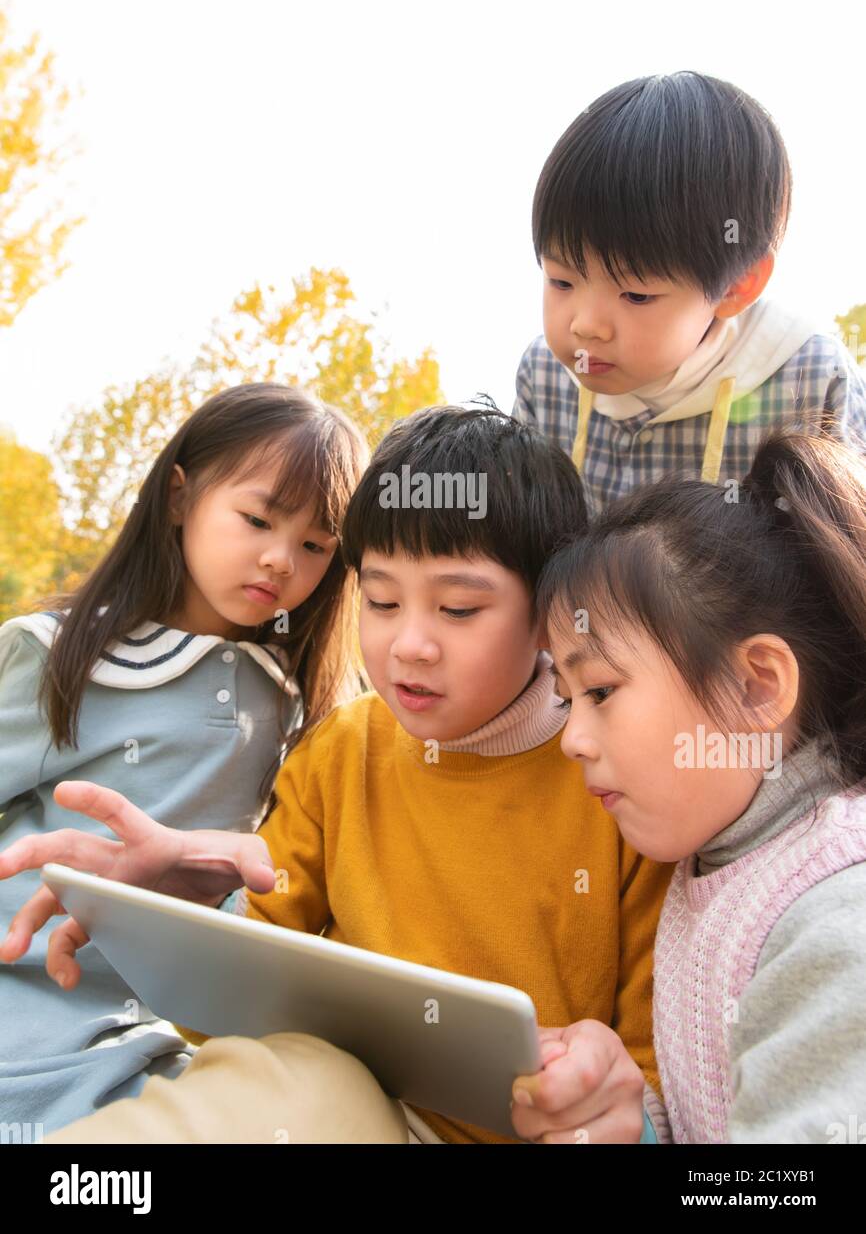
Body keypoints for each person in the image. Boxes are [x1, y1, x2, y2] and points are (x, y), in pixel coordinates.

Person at [3, 403, 675, 1144]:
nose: (409, 645)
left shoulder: (619, 782)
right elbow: (228, 1007)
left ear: (551, 610)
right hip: (334, 1116)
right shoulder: (339, 753)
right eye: (380, 601)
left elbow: (655, 1076)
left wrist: (624, 1117)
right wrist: (166, 916)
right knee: (305, 1080)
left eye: (457, 608)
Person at [0, 382, 367, 1134]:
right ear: (179, 496)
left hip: (163, 1021)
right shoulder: (58, 655)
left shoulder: (296, 705)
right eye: (257, 519)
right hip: (25, 992)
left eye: (315, 545)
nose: (278, 560)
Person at [537, 425, 866, 1142]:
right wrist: (635, 1126)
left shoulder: (839, 916)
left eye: (598, 690)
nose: (572, 739)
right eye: (565, 700)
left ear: (756, 686)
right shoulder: (719, 857)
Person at [513, 71, 866, 516]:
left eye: (636, 295)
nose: (585, 326)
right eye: (561, 281)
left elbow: (849, 559)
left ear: (738, 285)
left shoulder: (809, 383)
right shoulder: (544, 378)